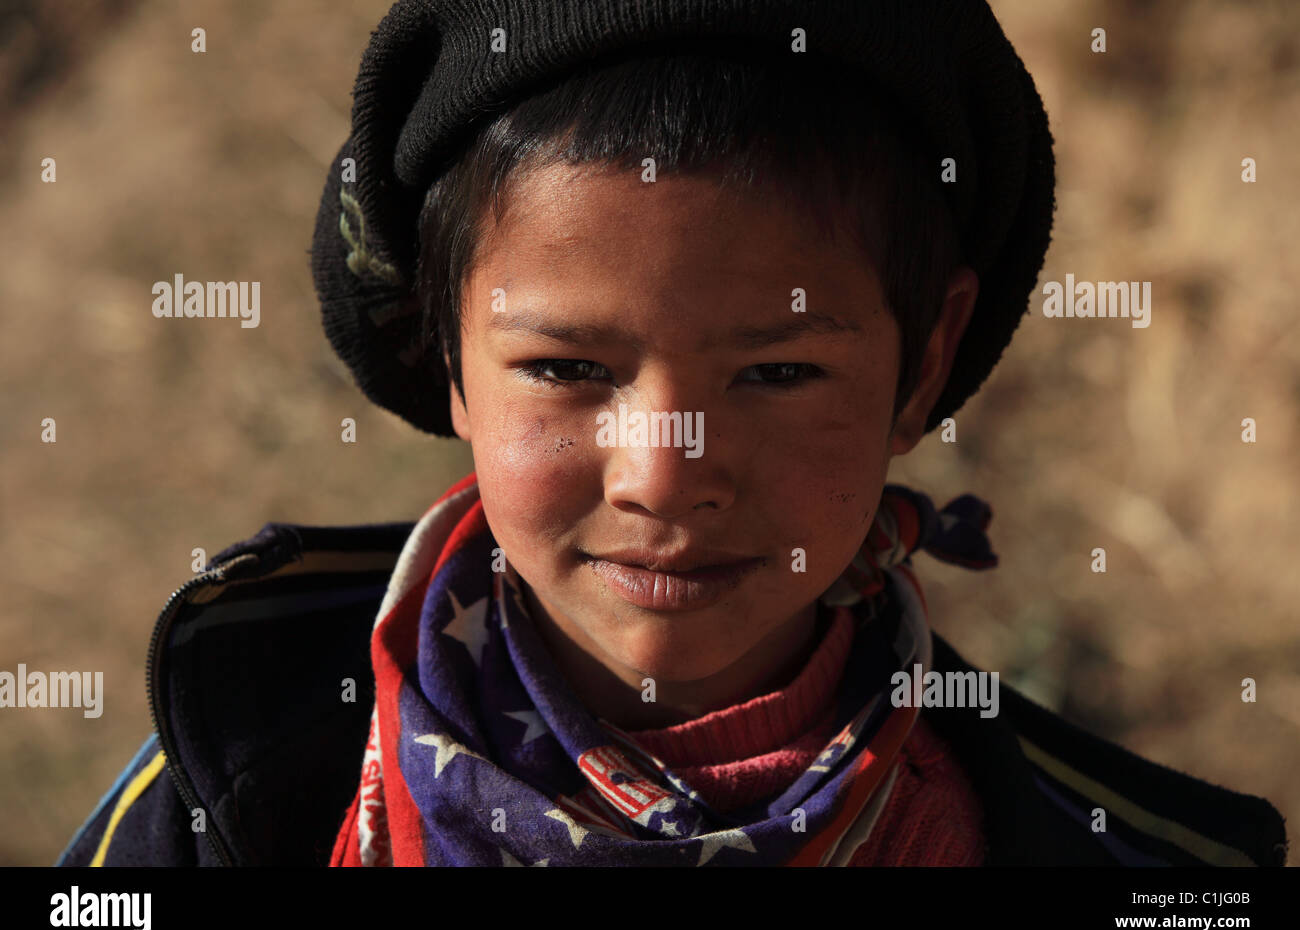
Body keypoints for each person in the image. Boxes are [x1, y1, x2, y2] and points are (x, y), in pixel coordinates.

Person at [58, 0, 1287, 867]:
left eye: (779, 370)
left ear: (925, 365)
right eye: (567, 367)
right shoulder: (236, 781)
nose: (664, 474)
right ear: (449, 361)